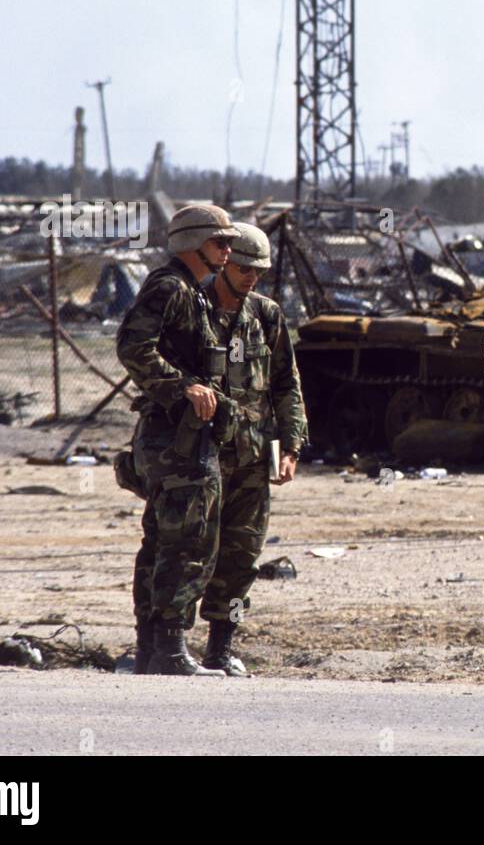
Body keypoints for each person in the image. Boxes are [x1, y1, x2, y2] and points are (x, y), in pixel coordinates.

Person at [116, 204, 239, 676]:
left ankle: (153, 648)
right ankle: (167, 648)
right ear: (193, 244)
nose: (227, 250)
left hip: (180, 435)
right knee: (189, 540)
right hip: (176, 438)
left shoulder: (193, 291)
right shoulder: (170, 286)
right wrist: (181, 386)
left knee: (165, 539)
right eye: (219, 242)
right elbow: (132, 345)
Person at [198, 221, 308, 676]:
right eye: (242, 267)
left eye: (257, 271)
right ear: (225, 263)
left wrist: (292, 445)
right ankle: (162, 644)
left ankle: (220, 647)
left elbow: (287, 383)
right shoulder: (193, 308)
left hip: (251, 458)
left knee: (242, 558)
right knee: (185, 550)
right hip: (197, 456)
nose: (249, 277)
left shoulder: (265, 316)